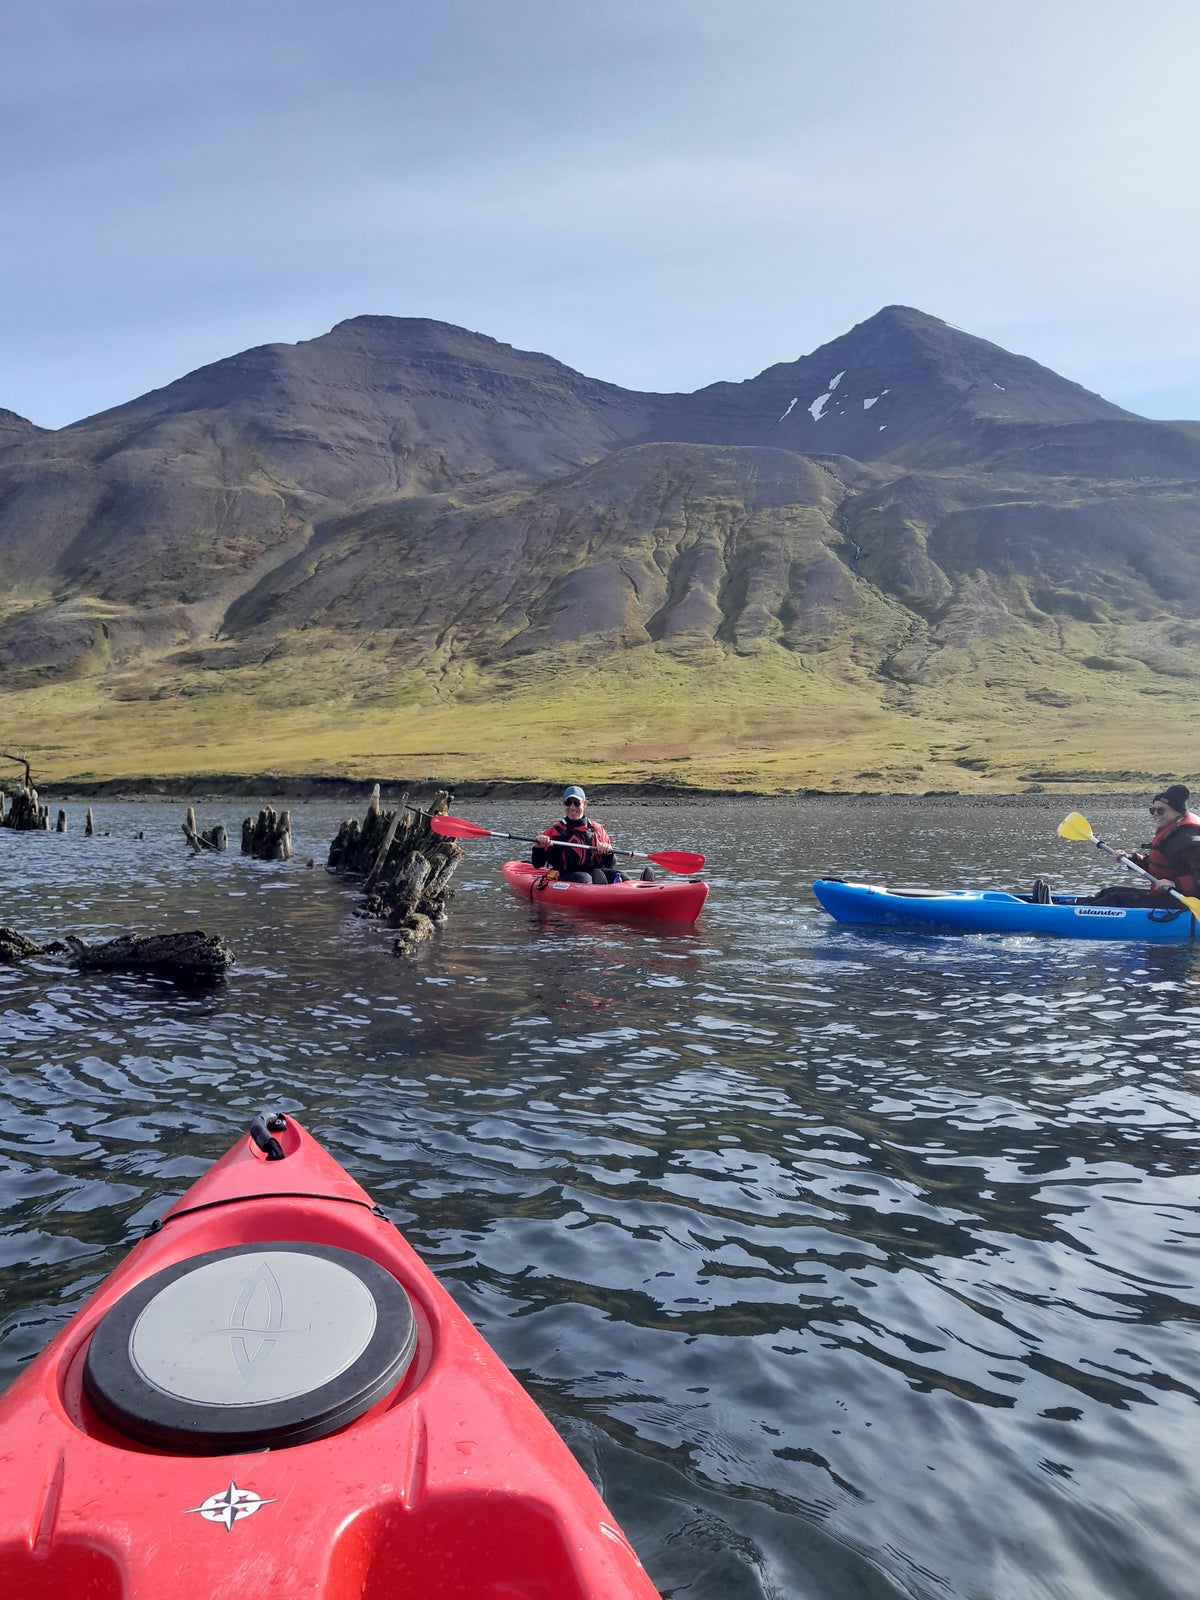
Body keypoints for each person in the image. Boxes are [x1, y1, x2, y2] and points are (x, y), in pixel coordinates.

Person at [1093, 783, 1200, 905]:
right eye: (1153, 810)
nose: (1155, 815)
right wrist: (1130, 859)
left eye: (1161, 811)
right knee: (1108, 893)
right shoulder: (1172, 834)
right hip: (1168, 896)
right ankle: (1073, 904)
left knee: (1114, 899)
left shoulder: (1186, 839)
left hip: (1186, 902)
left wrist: (1175, 883)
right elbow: (1160, 866)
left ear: (1178, 813)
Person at [531, 786, 635, 884]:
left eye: (576, 803)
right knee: (585, 878)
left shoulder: (597, 829)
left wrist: (607, 852)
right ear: (564, 804)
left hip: (594, 872)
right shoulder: (554, 831)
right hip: (564, 874)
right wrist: (538, 847)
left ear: (584, 804)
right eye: (568, 803)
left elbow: (610, 865)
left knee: (621, 875)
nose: (572, 807)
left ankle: (640, 889)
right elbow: (537, 864)